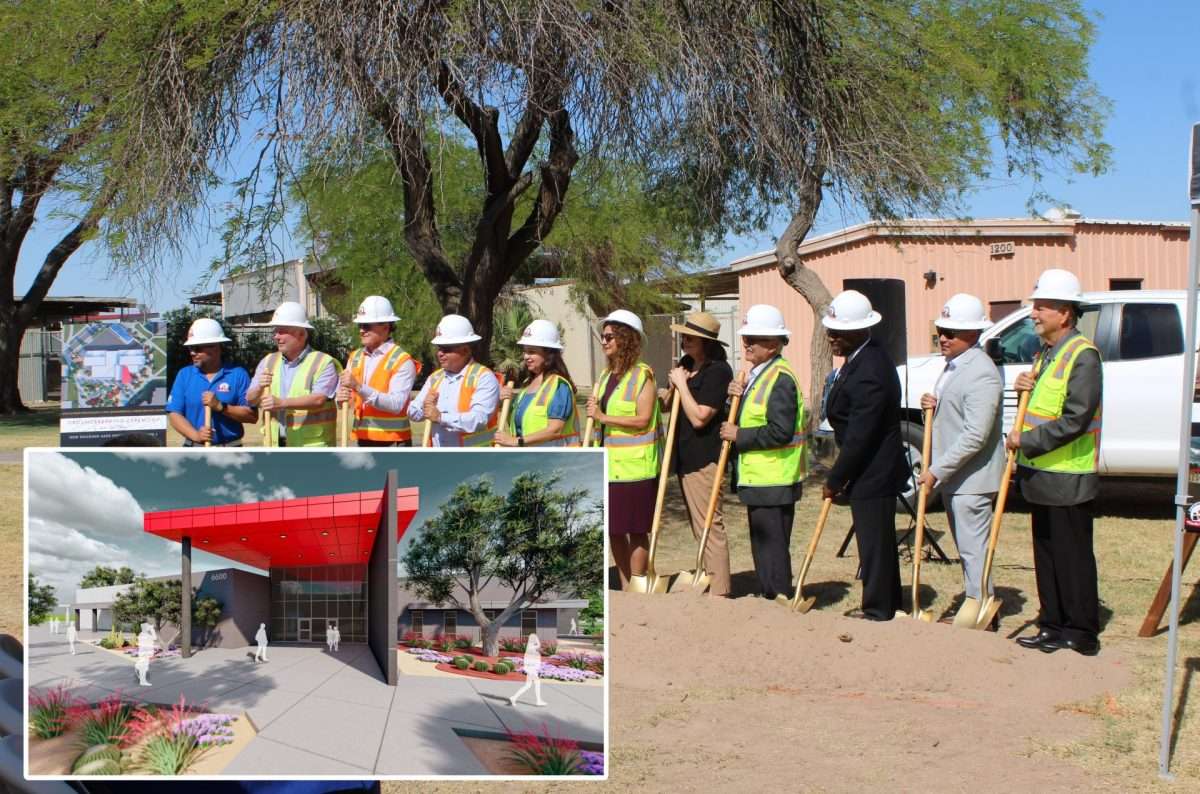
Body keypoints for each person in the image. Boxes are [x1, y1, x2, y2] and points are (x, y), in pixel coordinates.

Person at [1008, 269, 1103, 656]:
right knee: (1046, 556)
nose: (1033, 313)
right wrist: (1022, 390)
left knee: (1072, 558)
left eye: (1041, 307)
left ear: (1065, 313)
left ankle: (1080, 631)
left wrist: (1026, 440)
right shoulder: (1046, 353)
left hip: (1068, 475)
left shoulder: (1083, 356)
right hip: (1041, 474)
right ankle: (1052, 624)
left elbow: (1076, 418)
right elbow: (1043, 406)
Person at [916, 294, 1006, 625]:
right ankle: (975, 601)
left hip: (973, 479)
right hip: (959, 479)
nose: (943, 337)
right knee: (967, 547)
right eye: (942, 330)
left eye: (951, 332)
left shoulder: (981, 372)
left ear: (973, 334)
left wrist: (937, 470)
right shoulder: (955, 366)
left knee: (973, 548)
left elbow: (975, 435)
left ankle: (981, 607)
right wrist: (934, 405)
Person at [822, 290, 909, 620]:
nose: (831, 337)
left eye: (837, 331)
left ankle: (878, 607)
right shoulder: (857, 359)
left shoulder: (870, 366)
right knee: (876, 542)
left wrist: (835, 477)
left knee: (875, 543)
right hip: (867, 469)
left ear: (858, 330)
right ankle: (888, 601)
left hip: (875, 470)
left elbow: (861, 434)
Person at [719, 304, 805, 601]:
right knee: (761, 545)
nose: (746, 344)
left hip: (774, 478)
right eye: (745, 338)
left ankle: (778, 597)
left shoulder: (780, 379)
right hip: (758, 478)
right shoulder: (758, 375)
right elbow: (749, 416)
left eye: (752, 339)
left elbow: (780, 431)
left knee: (773, 547)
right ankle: (769, 595)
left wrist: (738, 435)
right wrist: (734, 401)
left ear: (772, 344)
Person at [587, 310, 662, 590]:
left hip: (636, 468)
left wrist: (604, 417)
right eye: (602, 337)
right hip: (609, 465)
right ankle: (624, 581)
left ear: (625, 338)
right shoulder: (607, 376)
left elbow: (643, 419)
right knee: (614, 530)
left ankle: (638, 585)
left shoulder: (643, 376)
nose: (604, 342)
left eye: (609, 337)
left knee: (636, 529)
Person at [664, 312, 734, 597]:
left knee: (709, 524)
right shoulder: (687, 365)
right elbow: (671, 406)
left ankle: (721, 590)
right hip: (684, 457)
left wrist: (682, 384)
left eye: (690, 336)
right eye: (683, 334)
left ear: (706, 341)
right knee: (698, 526)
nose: (684, 339)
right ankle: (709, 578)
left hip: (705, 458)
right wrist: (669, 390)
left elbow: (701, 417)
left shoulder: (718, 371)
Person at [246, 301, 341, 447]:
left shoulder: (323, 362)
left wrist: (282, 403)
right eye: (275, 331)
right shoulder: (268, 362)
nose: (276, 336)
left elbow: (318, 400)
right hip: (274, 444)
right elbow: (250, 399)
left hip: (311, 448)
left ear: (302, 334)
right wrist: (259, 387)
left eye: (283, 331)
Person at [338, 295, 420, 447]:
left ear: (386, 326)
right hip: (363, 437)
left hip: (393, 441)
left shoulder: (402, 361)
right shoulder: (355, 357)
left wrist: (358, 387)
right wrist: (341, 398)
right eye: (360, 325)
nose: (362, 330)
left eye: (367, 325)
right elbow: (348, 399)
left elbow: (396, 405)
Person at [407, 314, 501, 446]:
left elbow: (479, 419)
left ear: (465, 350)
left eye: (446, 349)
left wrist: (441, 417)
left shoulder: (484, 377)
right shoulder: (435, 378)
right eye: (439, 348)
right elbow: (413, 413)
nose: (440, 353)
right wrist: (424, 406)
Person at [167, 318, 256, 446]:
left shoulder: (238, 374)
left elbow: (252, 416)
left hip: (230, 453)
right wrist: (196, 435)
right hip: (193, 450)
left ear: (215, 347)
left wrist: (221, 407)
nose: (192, 352)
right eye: (190, 348)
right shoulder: (184, 375)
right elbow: (175, 415)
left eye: (197, 348)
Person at [494, 320, 579, 447]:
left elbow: (555, 430)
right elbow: (519, 425)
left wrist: (517, 441)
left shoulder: (559, 386)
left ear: (549, 354)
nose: (526, 356)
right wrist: (506, 403)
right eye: (525, 351)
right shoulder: (527, 384)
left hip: (555, 462)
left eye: (532, 352)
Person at [508, 633, 547, 707]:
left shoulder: (530, 648)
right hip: (532, 670)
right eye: (536, 638)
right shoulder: (532, 648)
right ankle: (538, 701)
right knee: (536, 684)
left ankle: (514, 697)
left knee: (528, 685)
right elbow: (539, 645)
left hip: (531, 670)